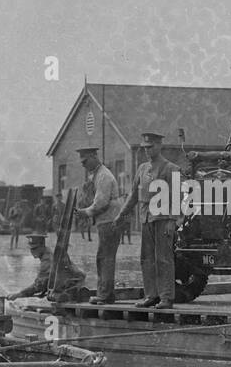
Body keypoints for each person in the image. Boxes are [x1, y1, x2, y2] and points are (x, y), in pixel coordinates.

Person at [117, 131, 179, 308]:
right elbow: (133, 195)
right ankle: (151, 295)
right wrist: (121, 214)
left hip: (163, 219)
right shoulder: (142, 168)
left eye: (150, 147)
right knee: (146, 259)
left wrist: (172, 221)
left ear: (159, 146)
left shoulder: (171, 168)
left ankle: (166, 297)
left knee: (164, 259)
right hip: (146, 219)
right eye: (144, 147)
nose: (146, 150)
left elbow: (177, 197)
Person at [76, 147, 122, 304]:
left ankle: (104, 295)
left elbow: (100, 203)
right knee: (104, 258)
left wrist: (84, 212)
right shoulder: (97, 174)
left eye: (85, 161)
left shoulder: (103, 176)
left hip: (109, 222)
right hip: (107, 221)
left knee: (105, 258)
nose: (83, 165)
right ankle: (106, 294)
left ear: (94, 157)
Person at [9, 233, 87, 302]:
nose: (32, 251)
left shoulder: (47, 260)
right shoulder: (49, 252)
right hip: (74, 283)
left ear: (42, 245)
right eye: (31, 248)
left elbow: (38, 285)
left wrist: (19, 294)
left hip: (72, 287)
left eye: (35, 248)